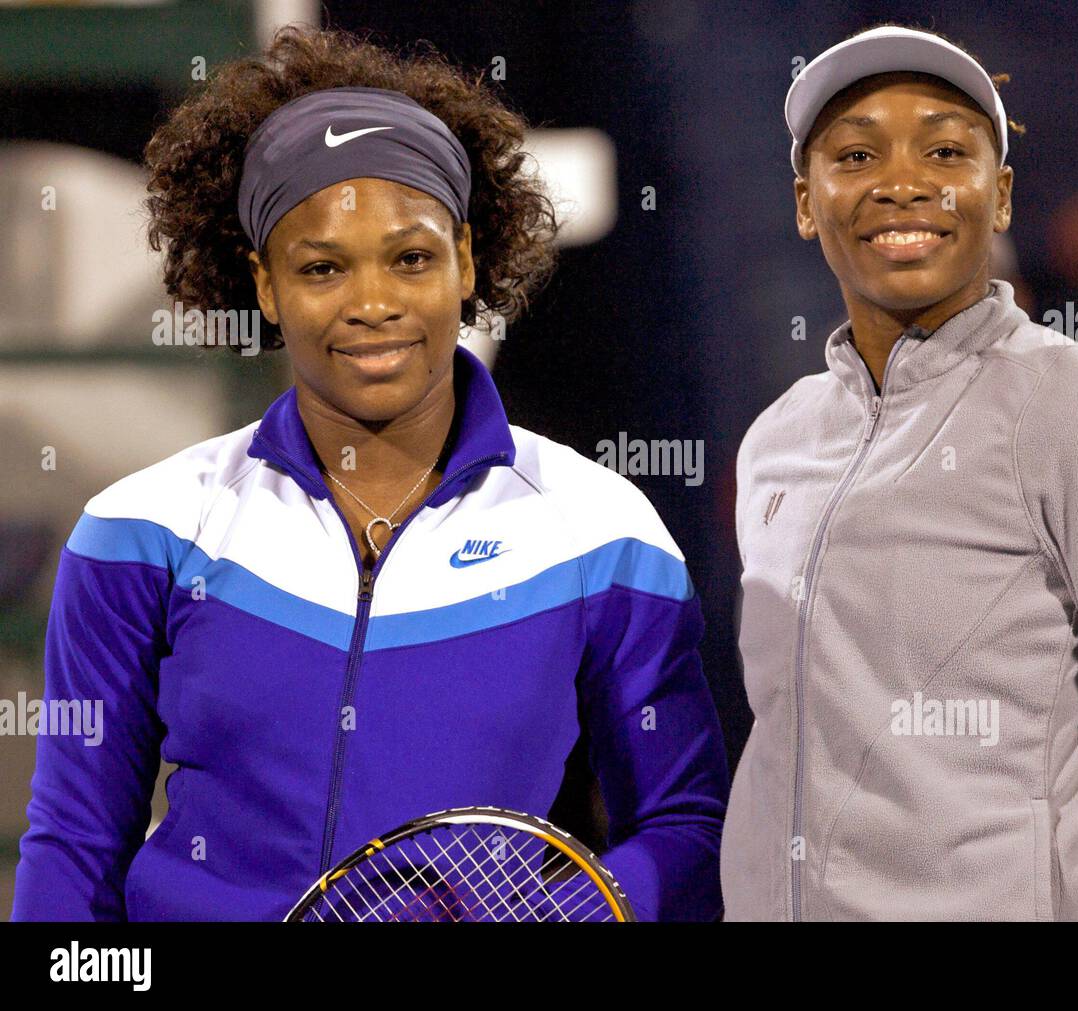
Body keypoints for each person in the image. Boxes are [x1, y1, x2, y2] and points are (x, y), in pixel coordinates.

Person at [12, 25, 728, 922]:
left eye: (411, 258)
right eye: (321, 268)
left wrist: (559, 918)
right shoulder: (138, 531)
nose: (372, 303)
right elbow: (74, 848)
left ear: (466, 262)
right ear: (265, 285)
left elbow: (684, 825)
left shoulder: (605, 532)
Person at [720, 23, 1078, 920]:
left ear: (1003, 195)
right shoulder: (776, 442)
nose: (901, 182)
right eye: (857, 153)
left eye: (946, 150)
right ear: (804, 200)